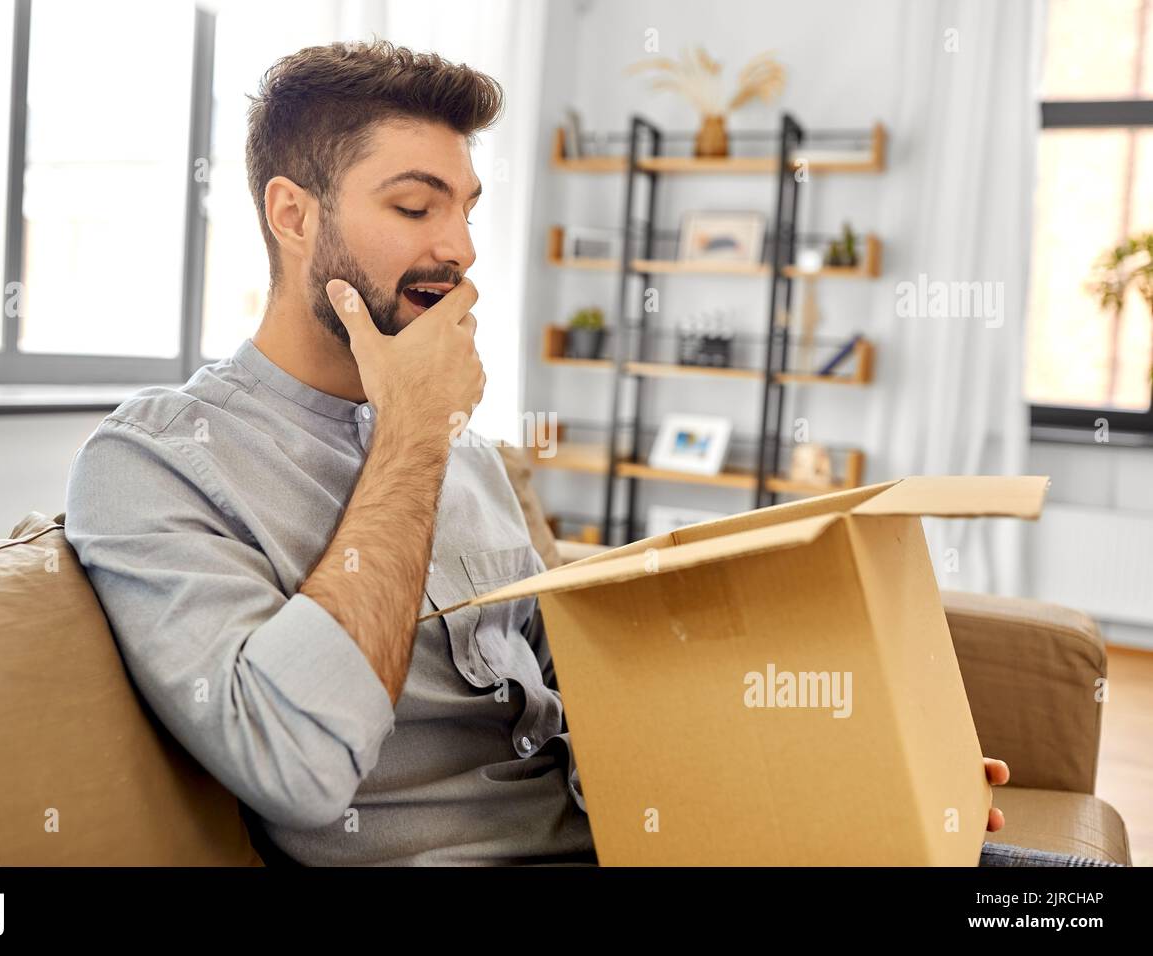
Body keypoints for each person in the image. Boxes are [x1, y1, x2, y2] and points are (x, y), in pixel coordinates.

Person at [64, 39, 1119, 868]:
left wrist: (850, 763)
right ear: (292, 215)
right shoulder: (155, 466)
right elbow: (296, 767)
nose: (461, 248)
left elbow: (595, 692)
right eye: (411, 204)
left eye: (466, 207)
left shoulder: (463, 453)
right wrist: (415, 434)